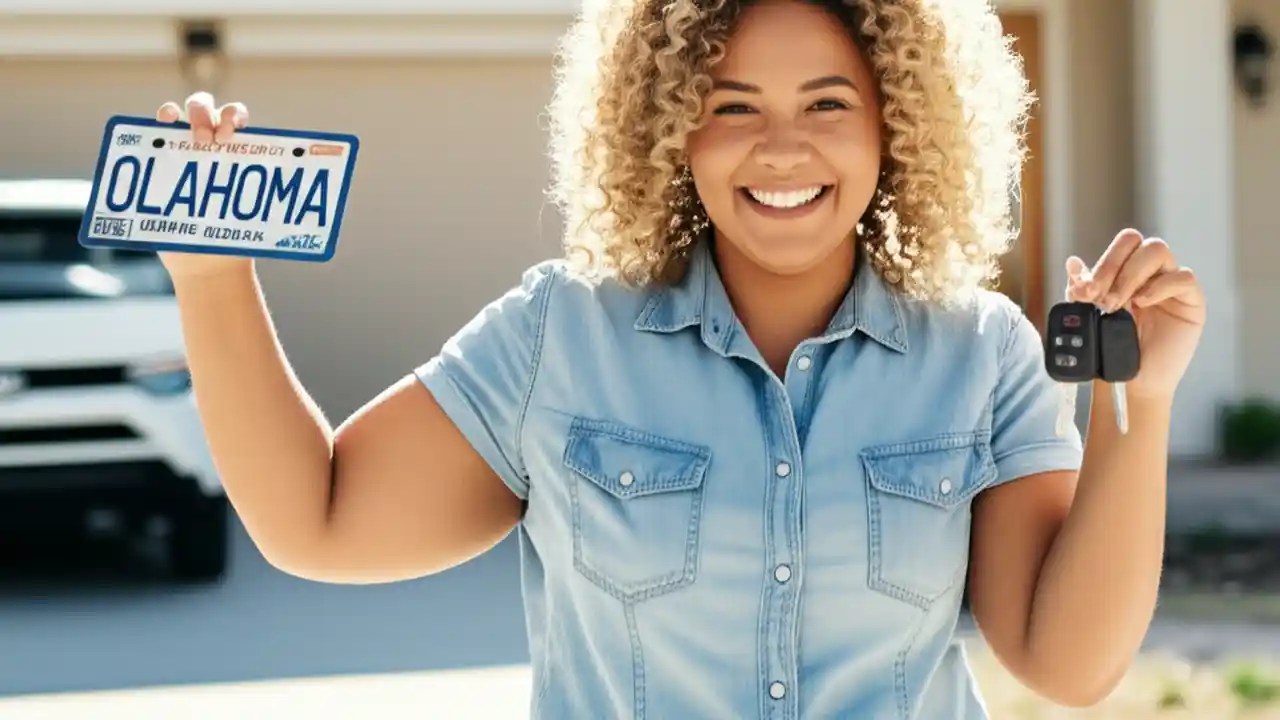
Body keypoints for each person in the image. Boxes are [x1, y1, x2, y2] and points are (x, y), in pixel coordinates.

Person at [152, 0, 1206, 717]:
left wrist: (1139, 406)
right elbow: (319, 519)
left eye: (826, 104)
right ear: (665, 130)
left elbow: (1065, 665)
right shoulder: (559, 336)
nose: (780, 149)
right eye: (730, 107)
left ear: (898, 123)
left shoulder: (982, 353)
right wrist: (211, 280)